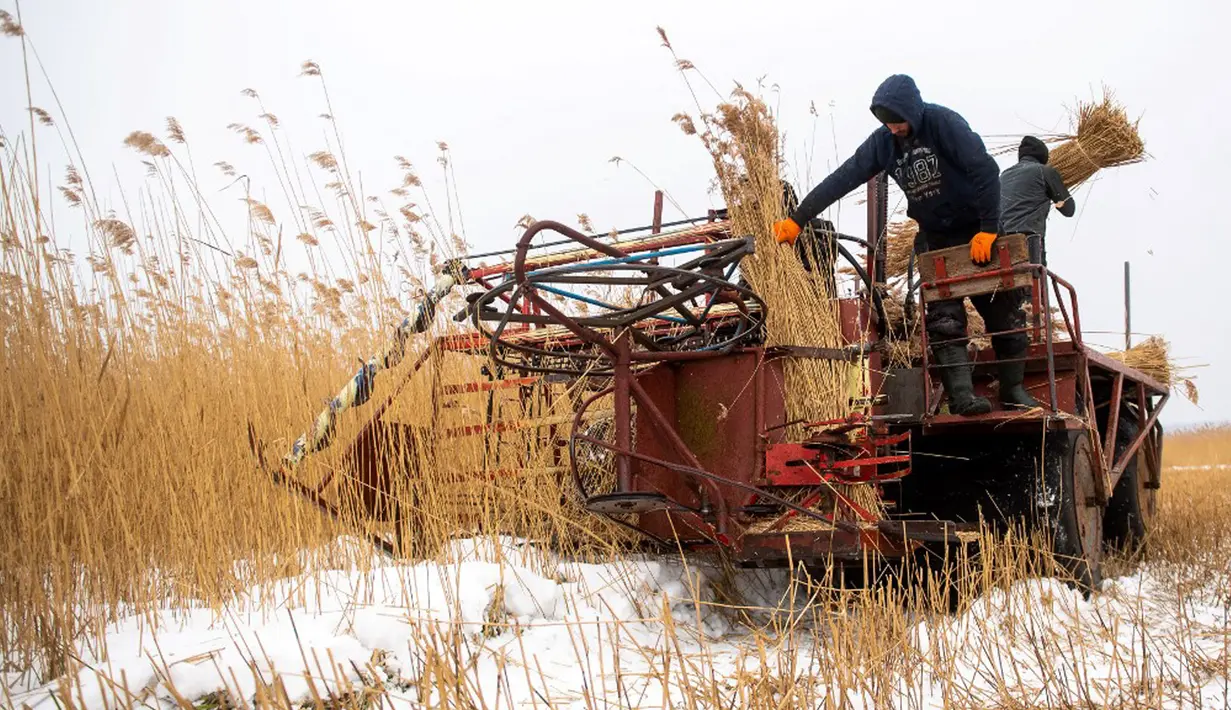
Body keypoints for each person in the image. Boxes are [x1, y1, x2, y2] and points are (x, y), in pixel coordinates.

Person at [771, 74, 1027, 415]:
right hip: (936, 238)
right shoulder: (883, 143)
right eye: (887, 123)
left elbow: (984, 170)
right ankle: (962, 398)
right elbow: (844, 177)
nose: (893, 128)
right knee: (945, 320)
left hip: (977, 231)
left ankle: (1013, 390)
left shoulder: (944, 124)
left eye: (898, 121)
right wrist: (798, 219)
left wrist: (989, 228)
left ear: (913, 111)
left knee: (1003, 311)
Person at [999, 135, 1075, 266]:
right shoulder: (1045, 171)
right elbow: (1069, 209)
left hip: (1000, 245)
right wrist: (1056, 190)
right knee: (1035, 276)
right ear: (1043, 156)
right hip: (1028, 245)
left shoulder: (1003, 176)